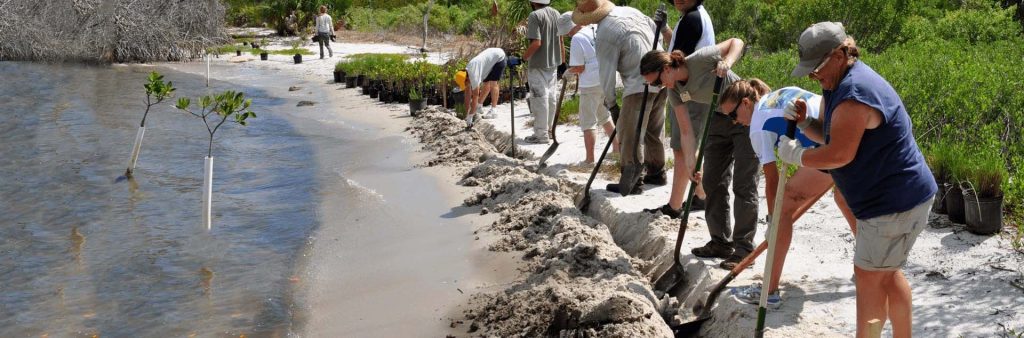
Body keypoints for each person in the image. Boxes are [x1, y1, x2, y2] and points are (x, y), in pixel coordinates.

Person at [779, 22, 936, 337]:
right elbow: (830, 134)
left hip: (893, 204)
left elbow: (839, 154)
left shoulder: (855, 94)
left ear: (839, 55)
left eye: (816, 70)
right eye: (810, 73)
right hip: (894, 199)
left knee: (869, 280)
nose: (814, 77)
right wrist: (806, 122)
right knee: (886, 276)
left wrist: (798, 156)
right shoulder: (835, 83)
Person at [711, 79, 857, 309]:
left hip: (831, 143)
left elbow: (772, 181)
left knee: (785, 204)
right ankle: (871, 263)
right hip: (851, 130)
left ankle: (769, 292)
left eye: (733, 115)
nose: (734, 122)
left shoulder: (758, 127)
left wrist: (774, 220)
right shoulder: (776, 95)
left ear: (746, 103)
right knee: (843, 199)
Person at [638, 37, 758, 270]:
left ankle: (744, 250)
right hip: (717, 119)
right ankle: (720, 242)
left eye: (659, 82)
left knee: (744, 185)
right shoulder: (674, 91)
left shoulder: (700, 59)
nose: (661, 87)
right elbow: (686, 131)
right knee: (712, 181)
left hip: (745, 115)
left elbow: (737, 42)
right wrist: (691, 163)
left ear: (666, 68)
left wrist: (727, 62)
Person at [573, 0, 667, 196]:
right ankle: (657, 173)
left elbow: (606, 73)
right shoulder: (631, 11)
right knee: (653, 130)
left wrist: (612, 104)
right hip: (663, 76)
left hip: (638, 83)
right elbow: (658, 35)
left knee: (629, 135)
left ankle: (633, 181)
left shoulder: (605, 33)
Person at [642, 0, 715, 217]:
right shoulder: (692, 16)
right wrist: (666, 29)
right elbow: (677, 54)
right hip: (690, 91)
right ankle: (699, 196)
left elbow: (677, 62)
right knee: (684, 147)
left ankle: (676, 206)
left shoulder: (692, 19)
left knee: (683, 147)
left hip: (688, 93)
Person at [556, 12, 617, 164]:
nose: (568, 35)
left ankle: (589, 160)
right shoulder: (595, 28)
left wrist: (569, 72)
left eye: (567, 32)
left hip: (591, 83)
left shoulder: (578, 38)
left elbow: (579, 67)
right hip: (607, 78)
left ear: (571, 27)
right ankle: (617, 149)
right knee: (603, 114)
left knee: (588, 121)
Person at [522, 0, 564, 144]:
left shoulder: (535, 15)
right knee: (551, 97)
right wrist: (562, 61)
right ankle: (550, 131)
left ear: (533, 2)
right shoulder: (556, 13)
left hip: (538, 64)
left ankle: (541, 135)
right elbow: (561, 40)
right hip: (553, 63)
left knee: (540, 98)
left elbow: (536, 42)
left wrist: (523, 58)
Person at [454, 48, 507, 127]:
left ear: (467, 78)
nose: (466, 85)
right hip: (489, 60)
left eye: (465, 83)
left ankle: (494, 110)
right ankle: (479, 106)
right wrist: (466, 113)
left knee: (493, 83)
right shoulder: (466, 73)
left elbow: (475, 96)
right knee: (486, 84)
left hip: (498, 57)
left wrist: (470, 116)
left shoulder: (474, 76)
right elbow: (467, 94)